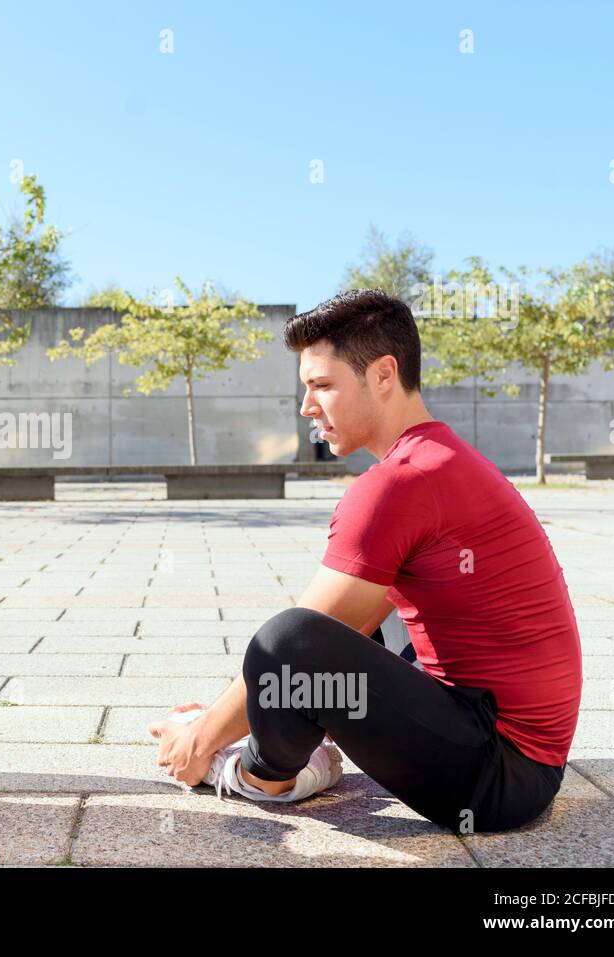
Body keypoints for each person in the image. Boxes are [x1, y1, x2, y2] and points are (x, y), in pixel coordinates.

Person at [150, 289, 581, 833]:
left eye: (322, 386)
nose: (307, 407)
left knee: (289, 639)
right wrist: (229, 713)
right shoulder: (441, 457)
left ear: (383, 375)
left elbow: (301, 645)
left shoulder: (399, 483)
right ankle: (291, 734)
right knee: (366, 600)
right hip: (519, 753)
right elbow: (350, 619)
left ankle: (260, 774)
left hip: (495, 779)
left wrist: (202, 736)